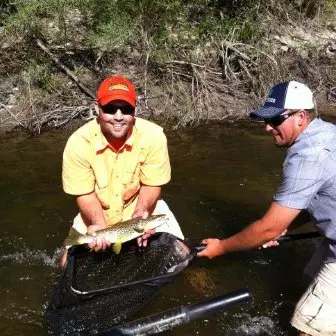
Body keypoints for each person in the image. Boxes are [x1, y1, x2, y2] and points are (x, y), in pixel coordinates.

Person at [198, 80, 336, 336]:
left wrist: (220, 247)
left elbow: (267, 228)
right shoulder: (327, 132)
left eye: (275, 120)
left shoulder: (308, 156)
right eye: (266, 120)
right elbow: (316, 197)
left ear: (301, 117)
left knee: (309, 328)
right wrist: (284, 228)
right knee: (309, 277)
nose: (267, 128)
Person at [60, 75, 183, 266]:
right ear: (96, 108)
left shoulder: (153, 137)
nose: (118, 116)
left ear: (136, 110)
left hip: (141, 211)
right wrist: (98, 223)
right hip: (97, 215)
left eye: (126, 109)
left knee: (182, 254)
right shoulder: (78, 143)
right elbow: (84, 194)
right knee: (66, 264)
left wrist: (143, 210)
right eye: (110, 108)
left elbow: (152, 184)